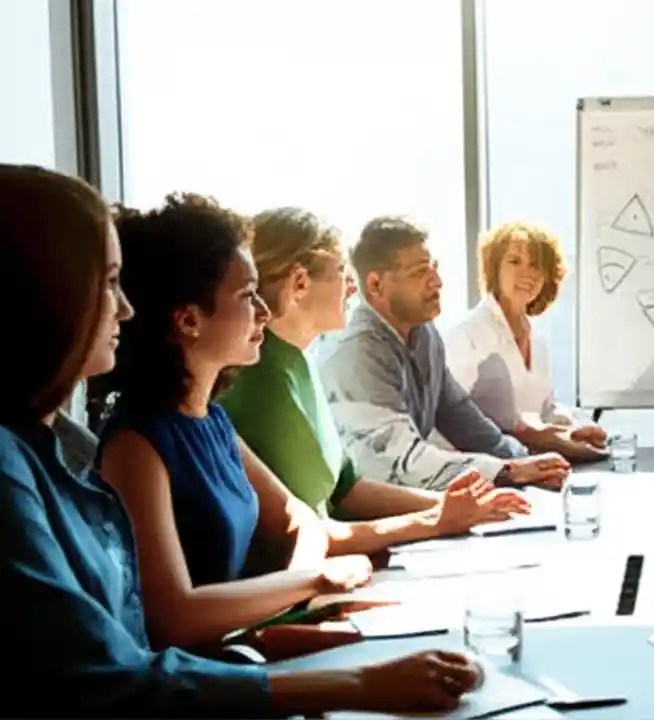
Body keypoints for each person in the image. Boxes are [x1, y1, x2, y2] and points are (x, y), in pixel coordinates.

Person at [0, 163, 482, 716]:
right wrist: (354, 677)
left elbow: (134, 647)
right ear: (47, 294)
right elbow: (118, 670)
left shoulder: (69, 446)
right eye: (109, 283)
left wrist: (271, 636)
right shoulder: (64, 458)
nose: (125, 308)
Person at [92, 194, 505, 652]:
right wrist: (311, 583)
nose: (263, 312)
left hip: (250, 643)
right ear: (189, 320)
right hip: (214, 671)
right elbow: (174, 619)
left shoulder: (212, 421)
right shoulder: (134, 446)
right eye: (247, 297)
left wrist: (304, 593)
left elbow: (301, 522)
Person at [221, 207, 529, 525]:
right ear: (300, 283)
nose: (353, 288)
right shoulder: (268, 379)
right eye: (341, 271)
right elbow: (313, 530)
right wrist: (436, 519)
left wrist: (456, 505)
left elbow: (347, 489)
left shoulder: (300, 361)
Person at [319, 215, 570, 490]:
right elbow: (399, 461)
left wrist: (526, 460)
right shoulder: (356, 351)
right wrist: (506, 471)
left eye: (434, 268)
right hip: (365, 502)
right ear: (375, 285)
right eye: (420, 273)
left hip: (416, 492)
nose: (437, 281)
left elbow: (457, 413)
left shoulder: (423, 331)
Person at [442, 221, 606, 461]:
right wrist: (530, 437)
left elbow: (544, 410)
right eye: (514, 261)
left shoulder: (537, 339)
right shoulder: (466, 334)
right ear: (494, 268)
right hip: (485, 468)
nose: (527, 273)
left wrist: (576, 429)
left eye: (536, 265)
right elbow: (449, 419)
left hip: (533, 465)